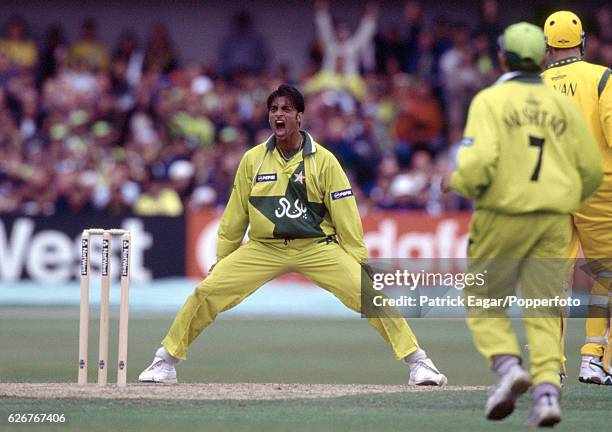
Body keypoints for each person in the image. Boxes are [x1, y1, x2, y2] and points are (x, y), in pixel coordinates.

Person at [138, 84, 447, 386]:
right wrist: (223, 259)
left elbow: (347, 217)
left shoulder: (325, 161)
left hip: (316, 246)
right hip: (264, 248)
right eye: (273, 109)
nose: (279, 114)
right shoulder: (253, 160)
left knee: (371, 296)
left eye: (286, 109)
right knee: (205, 293)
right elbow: (235, 215)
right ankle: (165, 361)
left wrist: (359, 262)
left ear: (300, 116)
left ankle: (419, 363)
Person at [442, 23, 602, 427]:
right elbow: (589, 169)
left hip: (503, 215)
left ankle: (510, 366)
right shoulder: (562, 105)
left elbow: (476, 168)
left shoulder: (491, 100)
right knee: (545, 306)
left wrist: (456, 182)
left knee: (482, 299)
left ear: (502, 58)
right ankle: (548, 391)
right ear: (542, 56)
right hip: (552, 217)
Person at [541, 10, 612, 386]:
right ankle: (594, 359)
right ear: (582, 42)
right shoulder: (601, 78)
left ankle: (550, 364)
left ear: (548, 47)